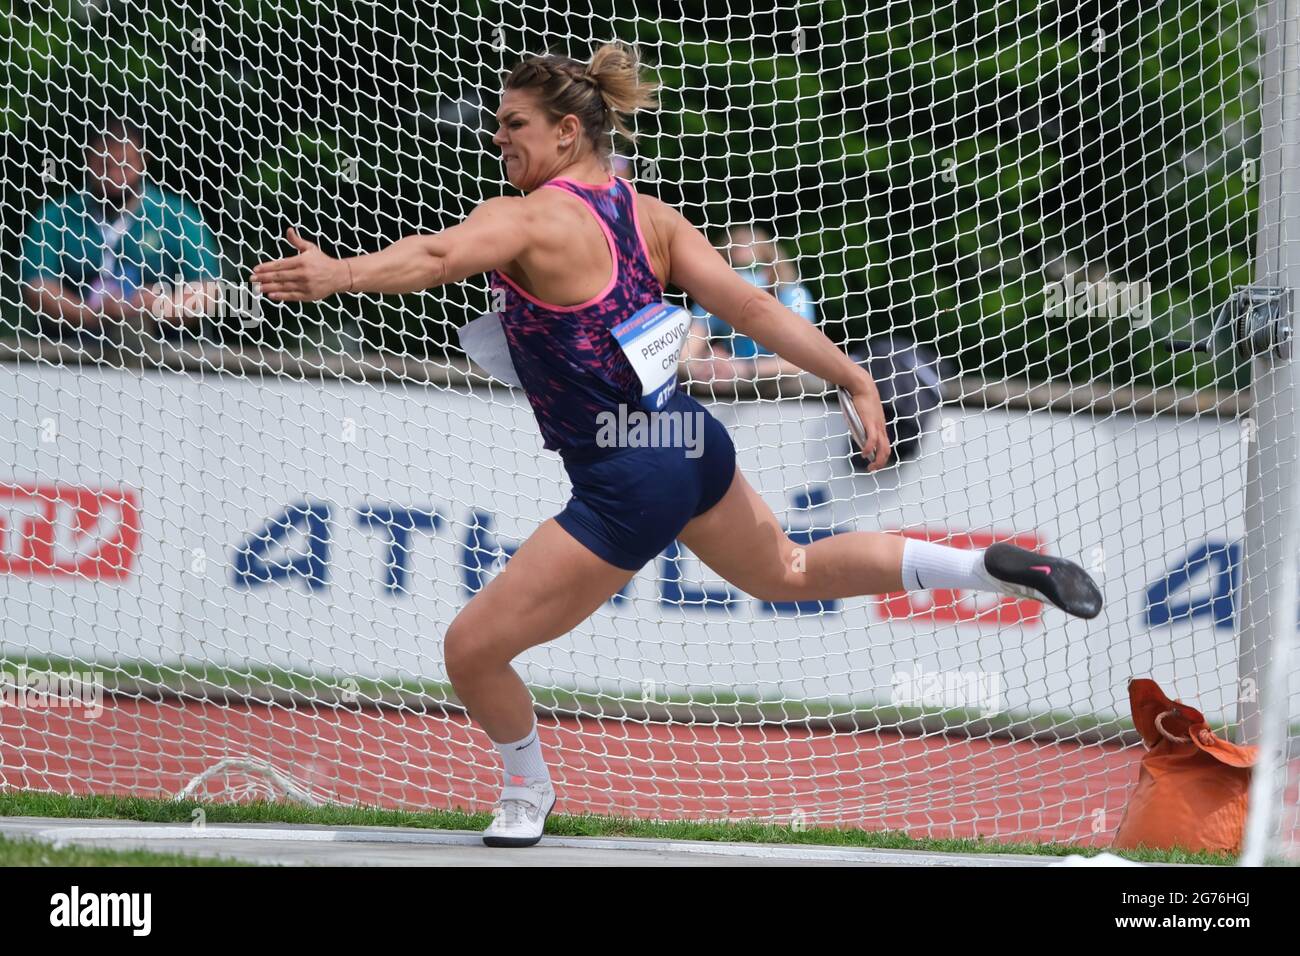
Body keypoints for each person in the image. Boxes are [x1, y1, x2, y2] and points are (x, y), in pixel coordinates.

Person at [252, 42, 1103, 848]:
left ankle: (526, 790)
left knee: (470, 652)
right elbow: (757, 311)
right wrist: (852, 377)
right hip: (687, 440)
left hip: (628, 476)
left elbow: (440, 255)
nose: (497, 136)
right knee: (790, 571)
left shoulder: (528, 219)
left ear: (567, 131)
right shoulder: (649, 217)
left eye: (513, 123)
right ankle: (982, 568)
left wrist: (341, 275)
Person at [20, 119, 223, 349]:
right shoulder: (55, 217)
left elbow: (207, 290)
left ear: (144, 161)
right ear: (87, 158)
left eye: (124, 165)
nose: (114, 176)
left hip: (166, 354)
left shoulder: (178, 217)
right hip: (70, 351)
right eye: (104, 165)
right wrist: (92, 315)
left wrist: (160, 306)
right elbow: (38, 287)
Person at [683, 225, 815, 381]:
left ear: (770, 269)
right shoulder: (717, 297)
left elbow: (804, 361)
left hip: (777, 377)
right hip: (735, 378)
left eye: (752, 268)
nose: (742, 277)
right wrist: (709, 362)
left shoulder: (792, 296)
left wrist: (745, 368)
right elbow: (685, 355)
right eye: (736, 268)